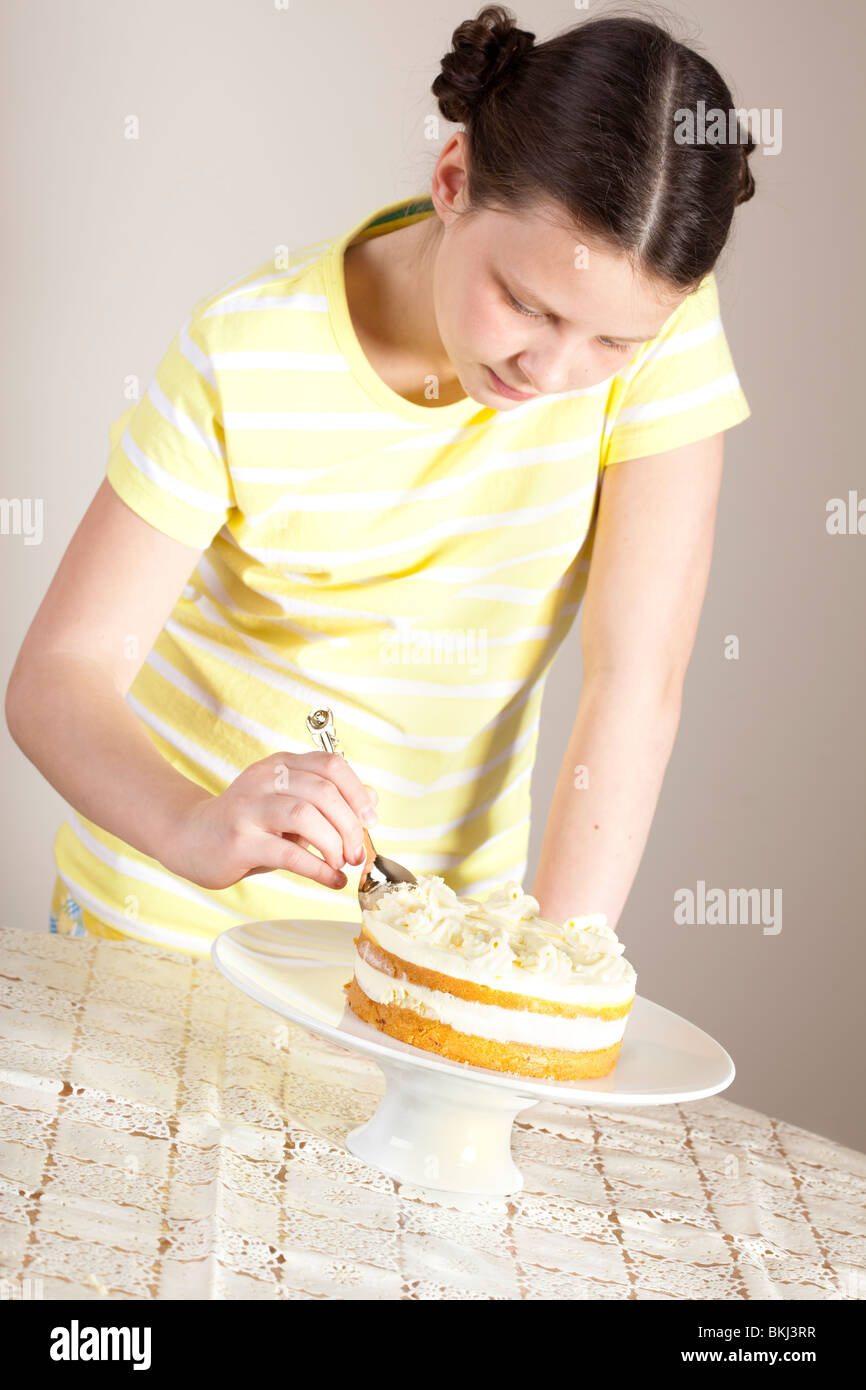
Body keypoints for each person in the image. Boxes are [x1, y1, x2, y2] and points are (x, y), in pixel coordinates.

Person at [6, 6, 755, 955]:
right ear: (452, 180)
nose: (554, 372)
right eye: (525, 304)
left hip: (433, 953)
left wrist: (547, 972)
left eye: (613, 342)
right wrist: (190, 827)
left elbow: (636, 682)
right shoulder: (246, 351)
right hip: (162, 930)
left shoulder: (660, 326)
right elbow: (57, 677)